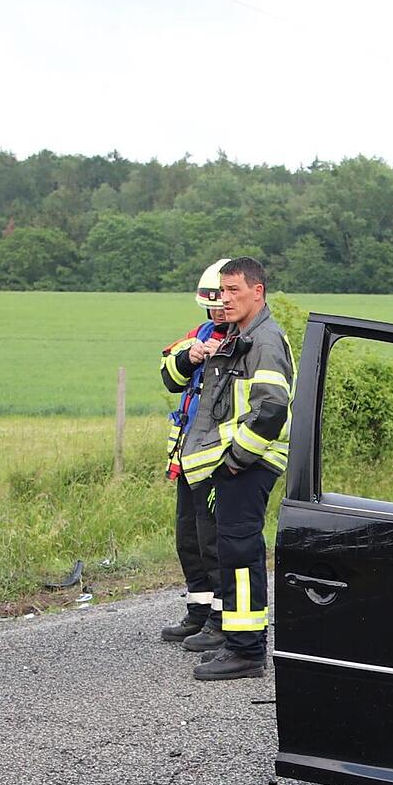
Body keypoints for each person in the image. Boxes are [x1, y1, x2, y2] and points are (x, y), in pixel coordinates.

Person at [173, 256, 292, 680]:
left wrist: (236, 461)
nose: (226, 299)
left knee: (241, 554)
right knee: (234, 552)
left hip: (250, 463)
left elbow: (272, 408)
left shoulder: (265, 340)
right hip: (238, 464)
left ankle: (246, 650)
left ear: (257, 291)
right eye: (222, 292)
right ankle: (242, 645)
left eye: (234, 291)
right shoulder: (240, 336)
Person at [158, 259, 232, 647]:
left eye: (224, 302)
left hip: (219, 459)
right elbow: (169, 376)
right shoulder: (198, 334)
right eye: (213, 304)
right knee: (187, 537)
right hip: (188, 456)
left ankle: (221, 621)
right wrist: (192, 357)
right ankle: (198, 611)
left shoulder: (245, 338)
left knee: (213, 540)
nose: (218, 311)